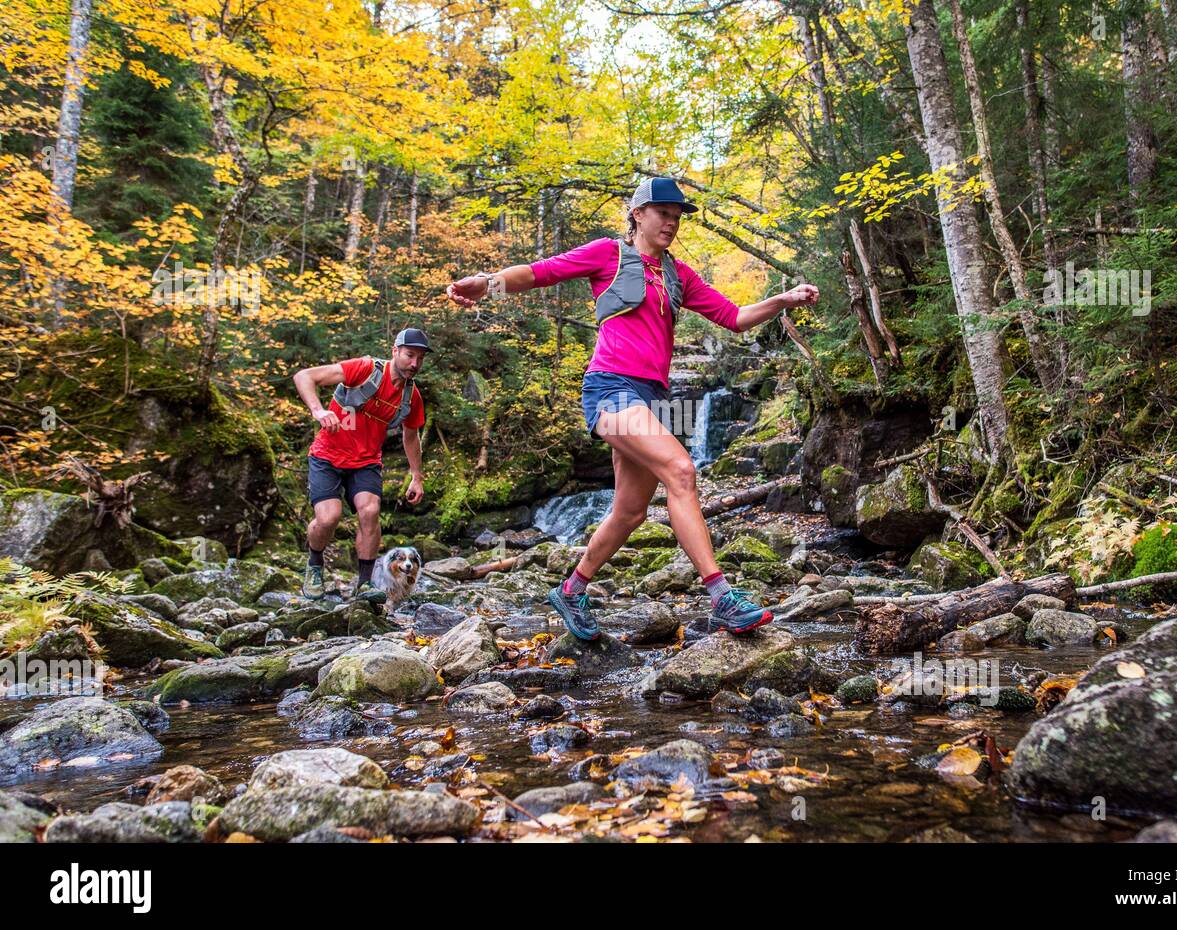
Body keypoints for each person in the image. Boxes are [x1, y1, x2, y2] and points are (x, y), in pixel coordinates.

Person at [446, 177, 819, 640]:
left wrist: (782, 300)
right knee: (681, 470)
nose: (671, 221)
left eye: (677, 215)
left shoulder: (679, 275)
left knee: (629, 512)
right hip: (610, 388)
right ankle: (721, 596)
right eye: (663, 212)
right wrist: (487, 284)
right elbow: (539, 273)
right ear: (638, 214)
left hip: (653, 398)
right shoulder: (607, 253)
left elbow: (734, 318)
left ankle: (572, 588)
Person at [292, 328, 429, 601]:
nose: (414, 364)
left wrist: (416, 476)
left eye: (420, 358)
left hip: (365, 462)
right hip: (327, 456)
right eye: (409, 355)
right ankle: (315, 563)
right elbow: (304, 376)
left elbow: (411, 435)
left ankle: (364, 584)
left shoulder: (411, 397)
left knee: (370, 511)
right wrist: (318, 410)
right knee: (328, 518)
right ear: (395, 352)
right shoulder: (365, 369)